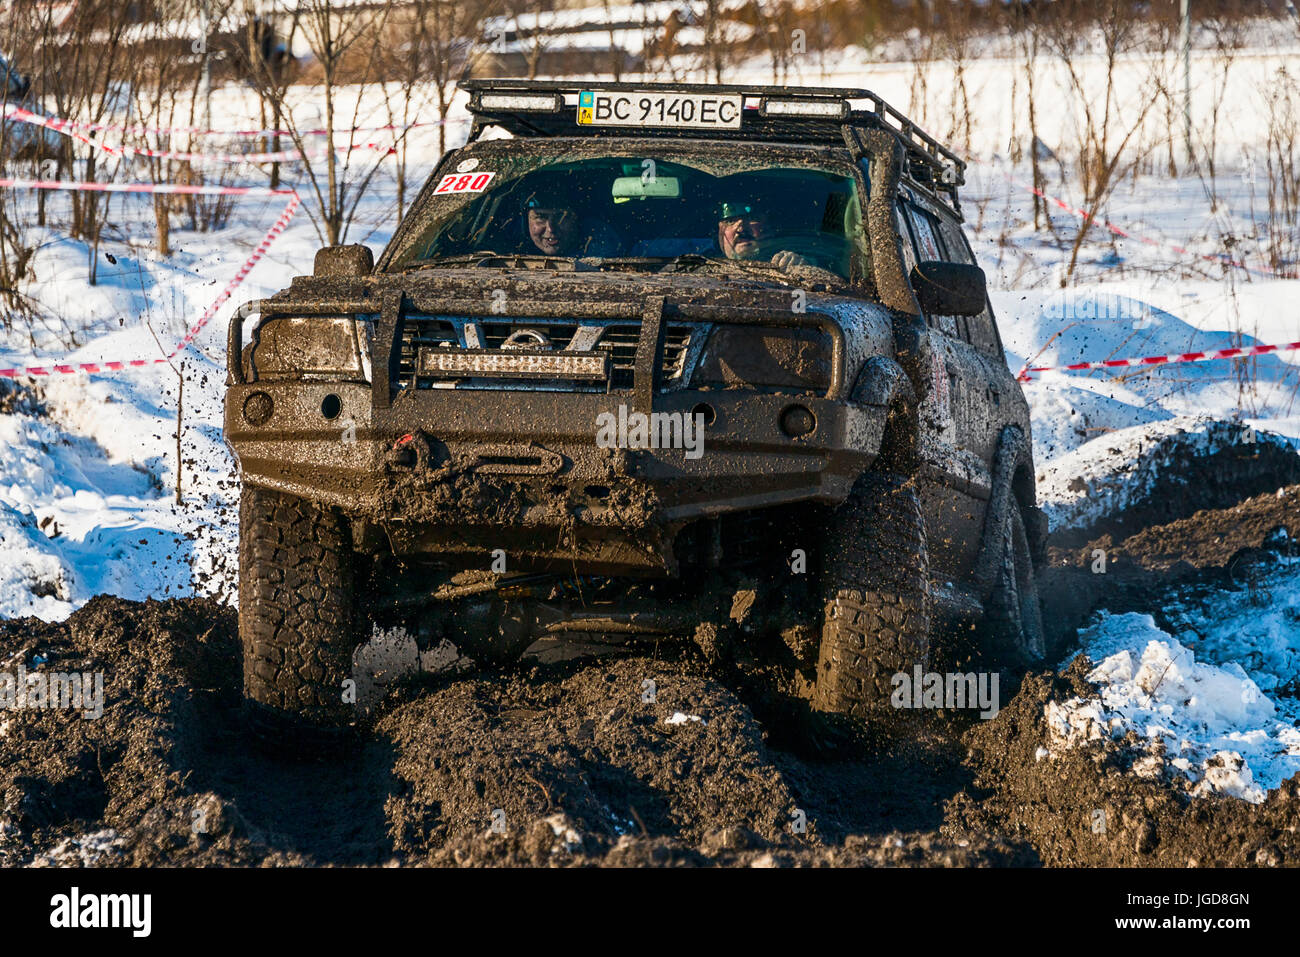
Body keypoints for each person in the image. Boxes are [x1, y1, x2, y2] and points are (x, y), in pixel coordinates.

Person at [518, 182, 619, 257]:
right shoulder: (508, 245)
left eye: (561, 217)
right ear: (526, 222)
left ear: (576, 220)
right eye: (541, 217)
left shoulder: (601, 247)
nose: (551, 228)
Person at [713, 197, 809, 270]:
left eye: (752, 219)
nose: (741, 229)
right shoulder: (702, 265)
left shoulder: (787, 266)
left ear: (771, 229)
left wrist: (801, 267)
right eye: (730, 221)